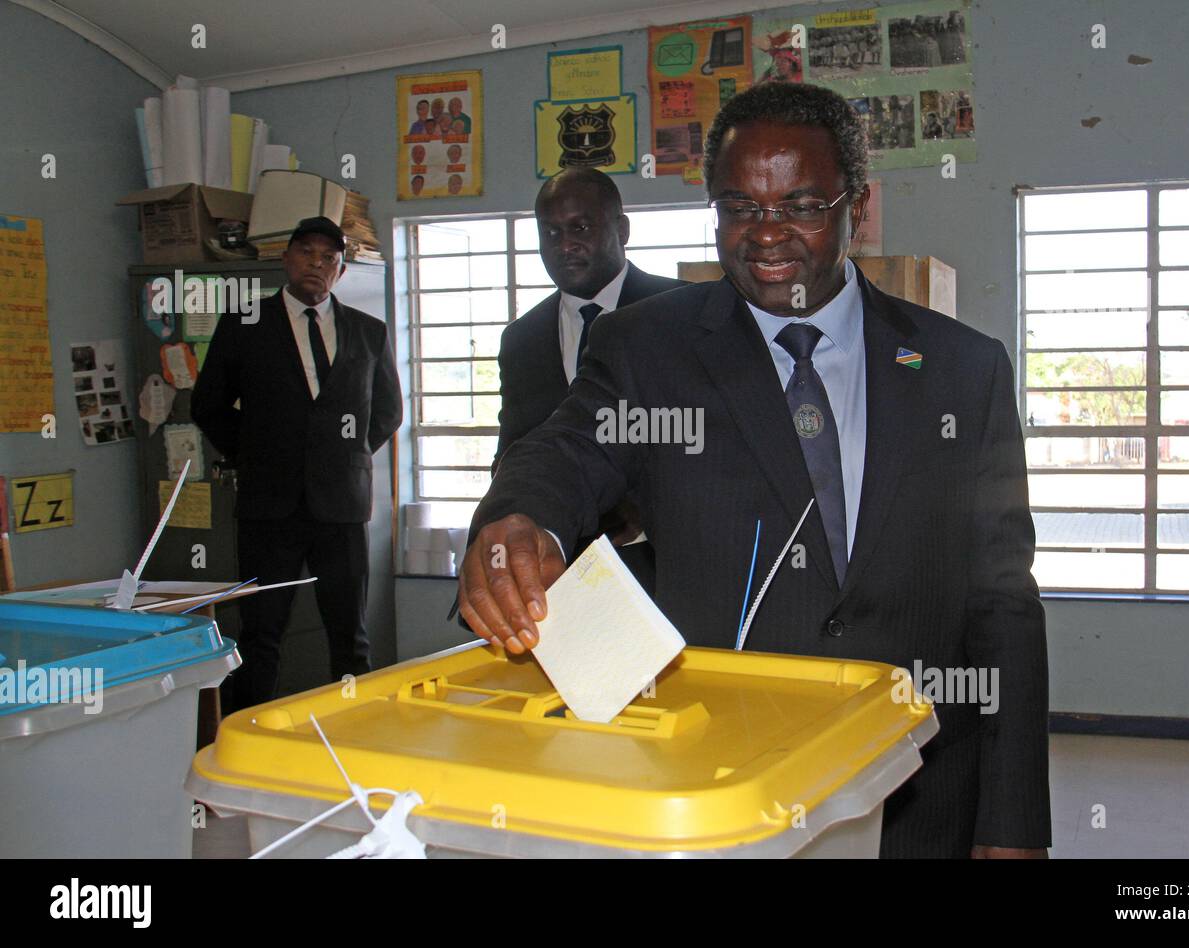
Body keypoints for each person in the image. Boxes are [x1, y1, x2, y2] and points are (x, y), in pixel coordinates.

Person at [457, 82, 1050, 859]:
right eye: (740, 207)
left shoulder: (962, 371)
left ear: (856, 208)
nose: (767, 236)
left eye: (801, 206)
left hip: (922, 790)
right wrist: (519, 517)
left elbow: (1003, 603)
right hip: (728, 794)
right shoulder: (649, 349)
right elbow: (565, 448)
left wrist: (1012, 828)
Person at [192, 217, 402, 712]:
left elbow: (388, 411)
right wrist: (254, 454)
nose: (316, 264)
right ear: (286, 259)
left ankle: (357, 732)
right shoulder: (245, 323)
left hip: (342, 507)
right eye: (306, 252)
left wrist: (344, 455)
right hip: (270, 506)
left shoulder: (368, 331)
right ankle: (247, 740)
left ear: (341, 271)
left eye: (328, 258)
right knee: (261, 632)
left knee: (350, 634)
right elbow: (208, 405)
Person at [493, 167, 684, 590]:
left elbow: (706, 433)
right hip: (562, 566)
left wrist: (640, 505)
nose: (565, 245)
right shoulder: (521, 339)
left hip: (669, 557)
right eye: (551, 232)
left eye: (579, 227)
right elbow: (515, 444)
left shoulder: (681, 311)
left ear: (622, 228)